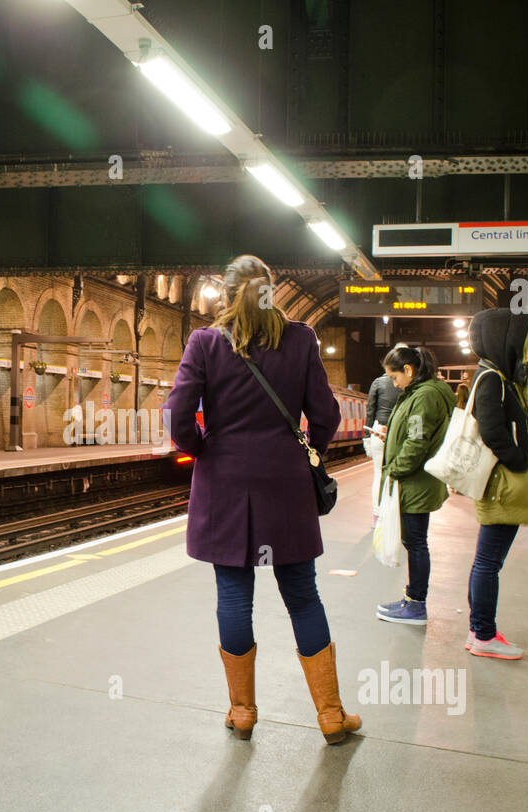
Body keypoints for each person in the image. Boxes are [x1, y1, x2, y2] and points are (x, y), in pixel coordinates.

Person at [164, 253, 361, 745]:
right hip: (286, 487)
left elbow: (176, 415)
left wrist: (202, 449)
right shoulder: (300, 338)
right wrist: (305, 453)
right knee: (303, 596)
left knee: (234, 596)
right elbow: (326, 413)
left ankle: (243, 711)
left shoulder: (205, 342)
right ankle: (331, 716)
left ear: (227, 295)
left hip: (224, 487)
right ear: (271, 290)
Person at [464, 307, 528, 660]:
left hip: (499, 481)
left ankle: (478, 630)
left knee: (486, 560)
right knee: (488, 562)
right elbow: (492, 432)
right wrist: (519, 459)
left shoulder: (498, 376)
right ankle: (484, 634)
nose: (522, 344)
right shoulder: (491, 379)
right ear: (502, 338)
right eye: (516, 337)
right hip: (502, 482)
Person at [375, 345, 455, 626]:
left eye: (394, 378)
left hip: (414, 481)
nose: (394, 384)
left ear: (409, 370)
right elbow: (414, 433)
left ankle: (416, 604)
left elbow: (417, 440)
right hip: (417, 481)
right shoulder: (424, 393)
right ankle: (412, 599)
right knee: (416, 542)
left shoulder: (425, 396)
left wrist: (395, 470)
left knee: (416, 543)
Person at [364, 366, 401, 523]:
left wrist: (366, 437)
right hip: (399, 431)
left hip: (378, 430)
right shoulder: (408, 383)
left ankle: (377, 516)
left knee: (378, 474)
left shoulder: (378, 382)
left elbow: (370, 410)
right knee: (398, 474)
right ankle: (394, 516)